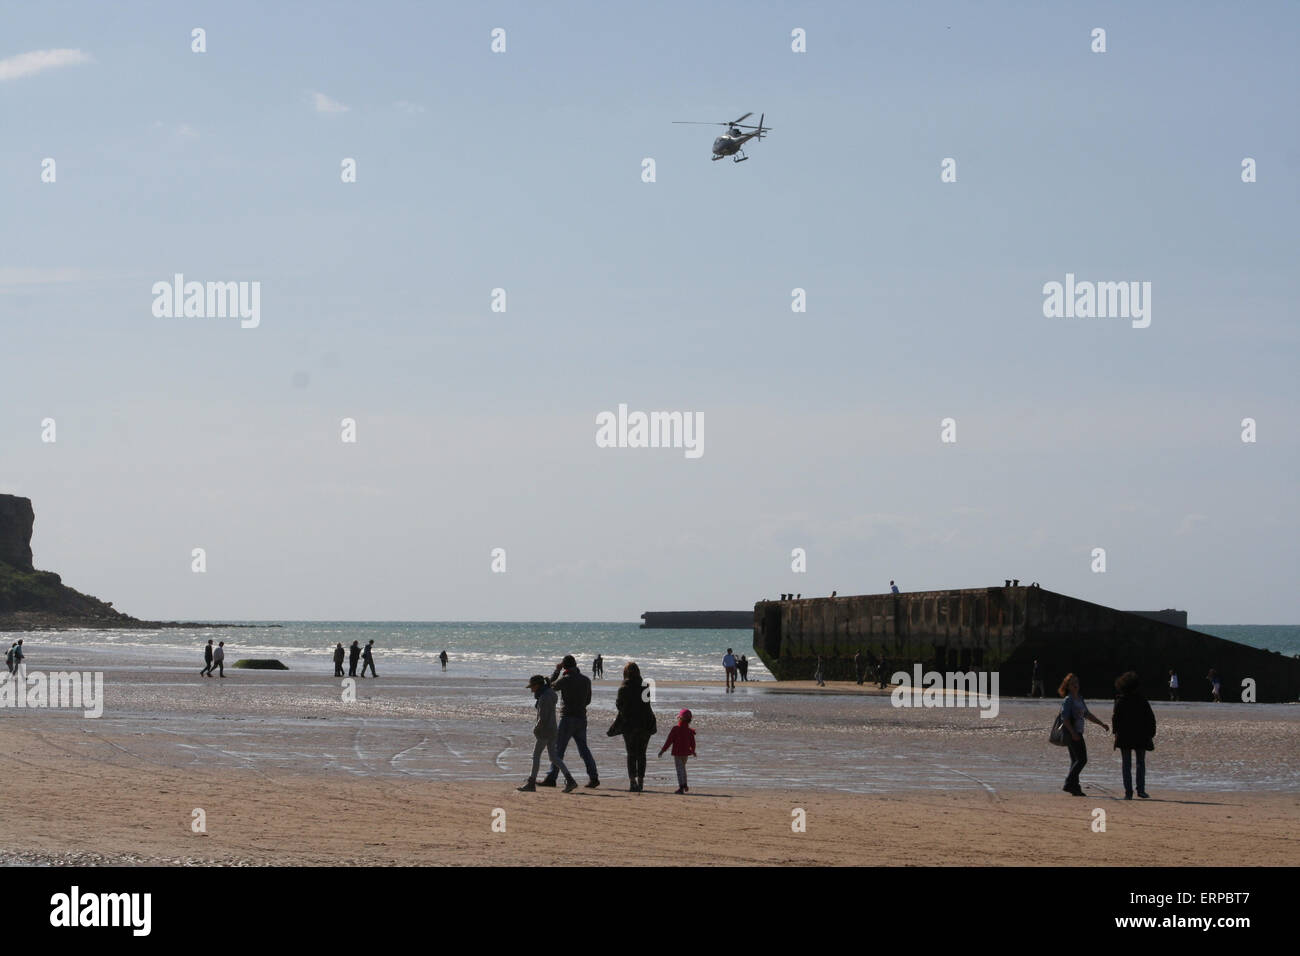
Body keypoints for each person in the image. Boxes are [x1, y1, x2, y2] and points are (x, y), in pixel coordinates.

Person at [539, 655, 599, 789]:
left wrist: (556, 671)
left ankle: (551, 777)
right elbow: (588, 701)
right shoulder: (586, 680)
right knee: (584, 749)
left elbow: (548, 686)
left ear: (564, 667)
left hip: (567, 718)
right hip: (581, 718)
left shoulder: (565, 680)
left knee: (558, 749)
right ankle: (594, 777)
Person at [518, 675, 577, 792]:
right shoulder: (550, 693)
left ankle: (531, 783)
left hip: (545, 730)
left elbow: (543, 717)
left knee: (536, 756)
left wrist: (536, 728)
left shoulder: (544, 697)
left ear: (538, 685)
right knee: (554, 757)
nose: (531, 690)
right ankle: (570, 780)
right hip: (553, 729)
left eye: (532, 687)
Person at [1058, 672, 1108, 796]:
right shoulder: (1068, 700)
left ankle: (1075, 787)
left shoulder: (1079, 698)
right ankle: (1069, 783)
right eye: (1072, 683)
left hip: (1078, 732)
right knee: (1082, 760)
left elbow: (1087, 714)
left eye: (1077, 682)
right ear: (1068, 686)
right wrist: (1073, 732)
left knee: (1075, 760)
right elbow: (1064, 718)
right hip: (1072, 733)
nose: (1075, 685)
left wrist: (1101, 724)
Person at [610, 662, 656, 792]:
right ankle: (641, 781)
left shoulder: (623, 688)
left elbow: (619, 705)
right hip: (645, 723)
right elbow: (647, 705)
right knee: (642, 754)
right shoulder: (645, 686)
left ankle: (632, 782)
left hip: (629, 724)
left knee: (631, 754)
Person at [1111, 671, 1155, 800]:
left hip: (1124, 736)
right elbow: (1150, 718)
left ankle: (1128, 792)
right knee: (1140, 763)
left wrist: (1115, 735)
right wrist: (1151, 734)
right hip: (1141, 735)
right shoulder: (1142, 700)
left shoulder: (1120, 700)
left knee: (1126, 764)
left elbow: (1116, 720)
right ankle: (1141, 790)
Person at [658, 708, 697, 794]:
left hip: (678, 753)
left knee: (680, 770)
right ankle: (685, 784)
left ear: (680, 718)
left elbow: (669, 741)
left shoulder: (676, 729)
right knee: (683, 768)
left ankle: (681, 787)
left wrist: (662, 751)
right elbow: (693, 743)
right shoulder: (690, 731)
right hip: (686, 753)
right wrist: (693, 751)